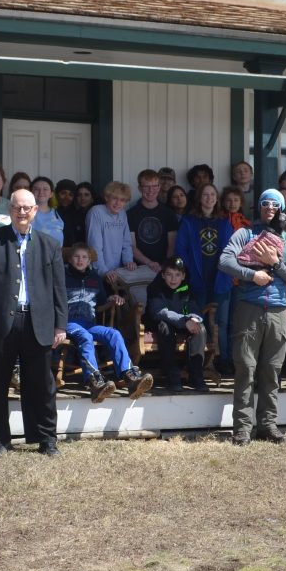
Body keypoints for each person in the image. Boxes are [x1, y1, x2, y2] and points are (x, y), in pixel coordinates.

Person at [0, 189, 68, 457]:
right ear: (9, 210)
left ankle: (46, 438)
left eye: (27, 208)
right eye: (17, 207)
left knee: (42, 384)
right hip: (1, 322)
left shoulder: (50, 245)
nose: (22, 212)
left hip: (38, 322)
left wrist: (60, 325)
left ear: (35, 210)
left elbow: (59, 288)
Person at [218, 189, 286, 446]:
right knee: (245, 368)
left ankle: (267, 425)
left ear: (282, 208)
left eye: (274, 204)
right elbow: (224, 260)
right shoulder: (245, 234)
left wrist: (275, 262)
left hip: (278, 311)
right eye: (265, 203)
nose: (269, 207)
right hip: (248, 307)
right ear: (259, 207)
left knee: (272, 371)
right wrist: (251, 275)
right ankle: (242, 429)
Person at [64, 244, 153, 401]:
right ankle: (95, 383)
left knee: (113, 333)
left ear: (89, 260)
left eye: (84, 257)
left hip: (90, 322)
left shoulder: (95, 278)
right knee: (85, 337)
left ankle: (130, 377)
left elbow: (101, 305)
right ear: (70, 259)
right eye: (77, 257)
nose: (80, 260)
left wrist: (111, 300)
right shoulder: (63, 277)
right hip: (69, 322)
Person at [175, 182, 234, 377]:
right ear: (200, 197)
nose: (209, 198)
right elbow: (181, 250)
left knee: (222, 322)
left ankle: (223, 359)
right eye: (205, 195)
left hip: (221, 279)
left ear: (217, 199)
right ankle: (200, 361)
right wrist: (189, 272)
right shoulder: (189, 221)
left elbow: (232, 250)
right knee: (200, 321)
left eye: (212, 195)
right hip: (197, 279)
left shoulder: (225, 222)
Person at [88, 180, 157, 308]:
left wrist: (128, 261)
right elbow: (95, 245)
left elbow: (126, 242)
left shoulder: (122, 214)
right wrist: (104, 271)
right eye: (114, 198)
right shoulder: (96, 212)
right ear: (107, 197)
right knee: (107, 305)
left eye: (122, 200)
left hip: (120, 272)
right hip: (101, 272)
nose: (118, 203)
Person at [144, 257, 207, 392]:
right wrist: (184, 321)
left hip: (183, 323)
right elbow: (159, 312)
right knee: (164, 327)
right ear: (162, 275)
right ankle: (172, 374)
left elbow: (194, 308)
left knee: (200, 328)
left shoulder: (188, 288)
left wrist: (194, 319)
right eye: (169, 274)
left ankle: (196, 374)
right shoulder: (155, 288)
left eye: (178, 275)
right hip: (161, 324)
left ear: (183, 276)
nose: (173, 279)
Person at [127, 170, 179, 301]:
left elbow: (172, 244)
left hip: (163, 269)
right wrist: (149, 262)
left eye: (154, 186)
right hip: (139, 270)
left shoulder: (169, 214)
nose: (150, 190)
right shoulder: (130, 214)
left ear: (159, 187)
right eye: (146, 186)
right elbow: (131, 245)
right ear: (140, 188)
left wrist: (165, 266)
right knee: (141, 308)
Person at [31, 176, 65, 244]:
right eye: (37, 189)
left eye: (45, 189)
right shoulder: (25, 213)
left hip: (57, 254)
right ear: (31, 192)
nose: (41, 192)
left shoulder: (59, 213)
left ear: (51, 194)